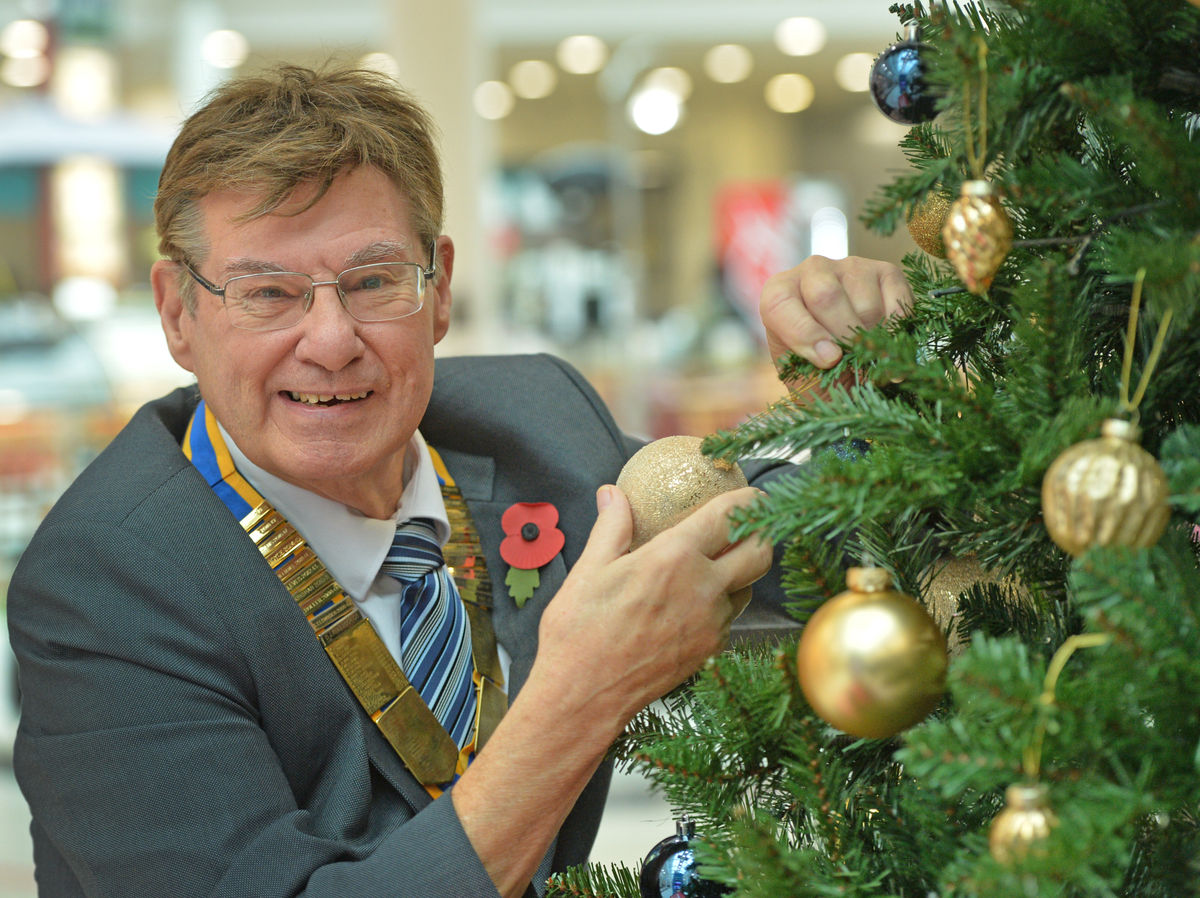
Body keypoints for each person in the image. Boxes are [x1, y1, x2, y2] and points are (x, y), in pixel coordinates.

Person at [7, 65, 912, 898]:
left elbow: (838, 548)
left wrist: (871, 396)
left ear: (439, 292)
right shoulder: (104, 585)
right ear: (178, 313)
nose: (329, 341)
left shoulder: (537, 429)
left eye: (372, 281)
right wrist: (579, 696)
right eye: (268, 293)